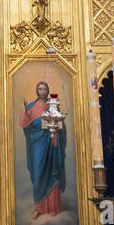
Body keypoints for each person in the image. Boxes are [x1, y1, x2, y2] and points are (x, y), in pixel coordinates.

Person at [20, 82, 67, 218]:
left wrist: (53, 121)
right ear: (37, 91)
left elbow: (59, 124)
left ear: (48, 90)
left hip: (52, 143)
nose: (42, 91)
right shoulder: (31, 106)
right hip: (37, 144)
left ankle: (54, 207)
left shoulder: (53, 105)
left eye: (44, 88)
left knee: (52, 171)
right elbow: (25, 124)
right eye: (40, 89)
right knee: (38, 172)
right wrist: (24, 110)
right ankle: (39, 208)